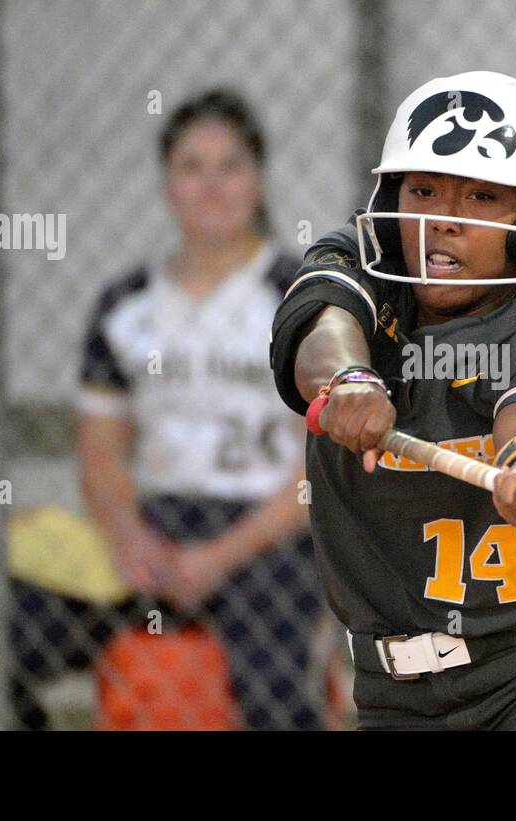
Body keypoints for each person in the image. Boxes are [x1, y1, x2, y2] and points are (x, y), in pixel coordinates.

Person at [269, 71, 516, 729]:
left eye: (481, 197)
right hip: (392, 697)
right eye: (423, 191)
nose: (443, 221)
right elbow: (320, 326)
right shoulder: (357, 268)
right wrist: (350, 380)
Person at [76, 88, 323, 730]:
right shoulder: (126, 303)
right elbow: (98, 455)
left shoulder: (298, 298)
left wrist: (218, 558)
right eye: (192, 167)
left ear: (259, 179)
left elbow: (323, 468)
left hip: (269, 526)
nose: (212, 186)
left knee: (268, 681)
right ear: (166, 183)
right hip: (158, 519)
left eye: (231, 166)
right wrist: (130, 539)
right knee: (4, 632)